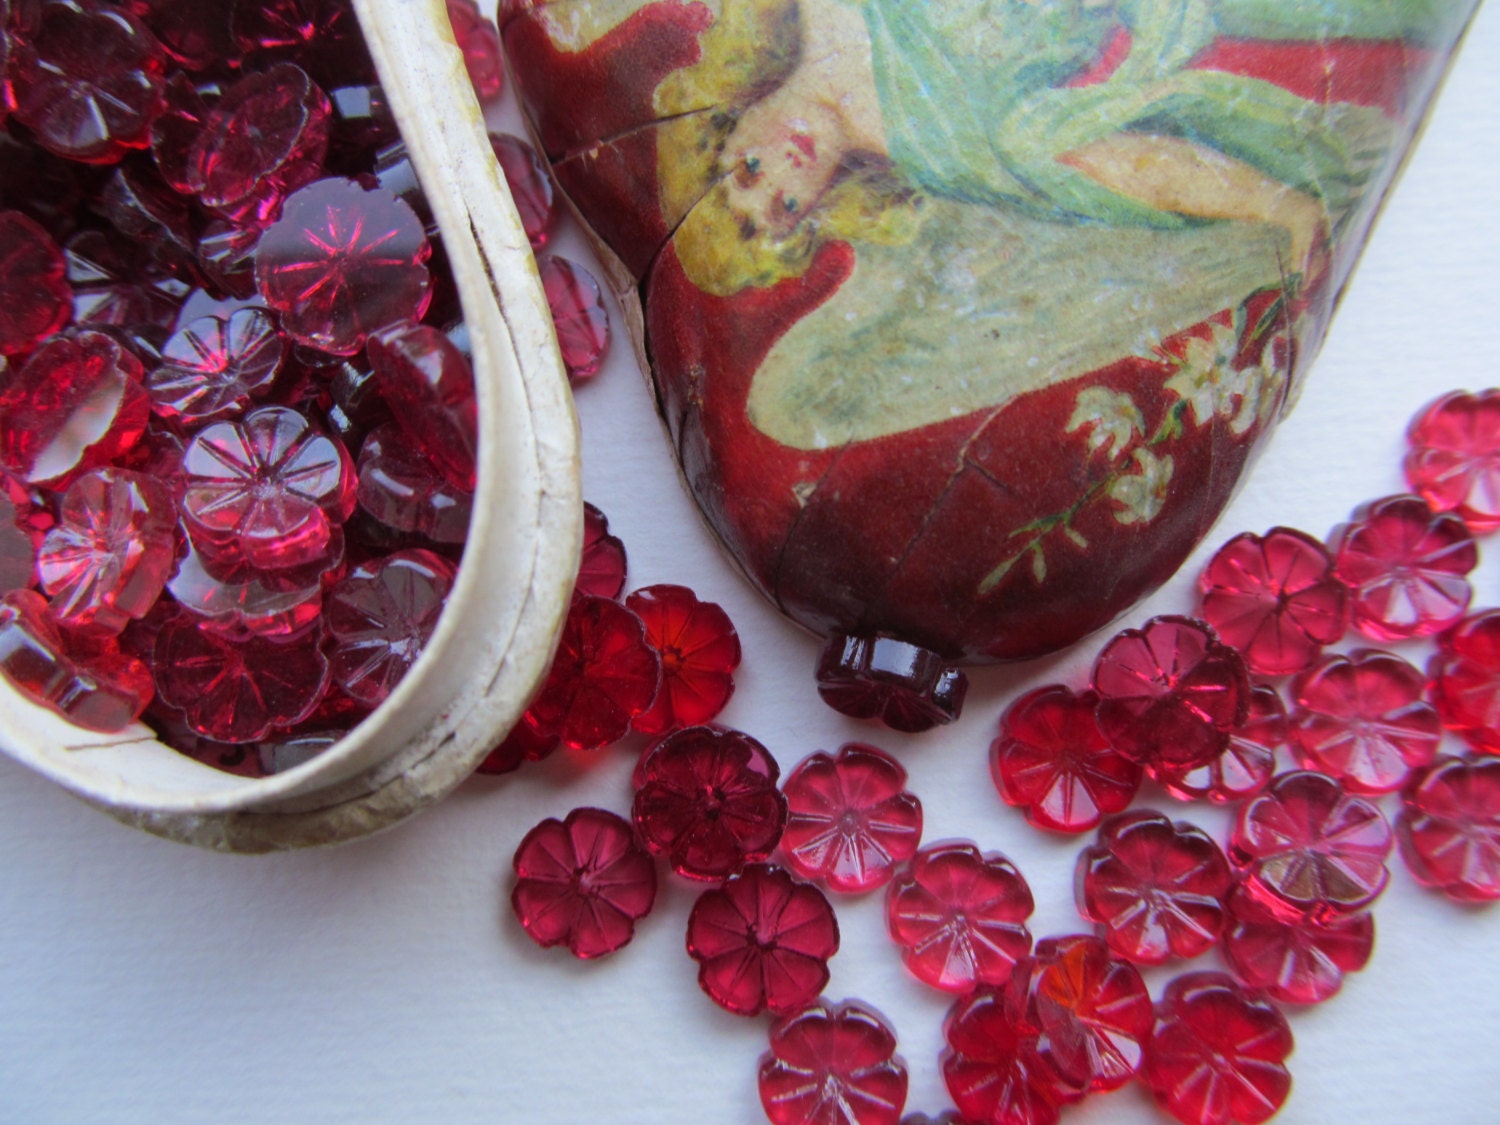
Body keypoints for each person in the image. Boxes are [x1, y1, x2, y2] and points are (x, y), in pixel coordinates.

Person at [659, 0, 1466, 299]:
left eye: (748, 170)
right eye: (785, 208)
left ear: (723, 120)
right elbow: (1123, 162)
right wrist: (1276, 204)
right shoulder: (950, 148)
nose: (783, 173)